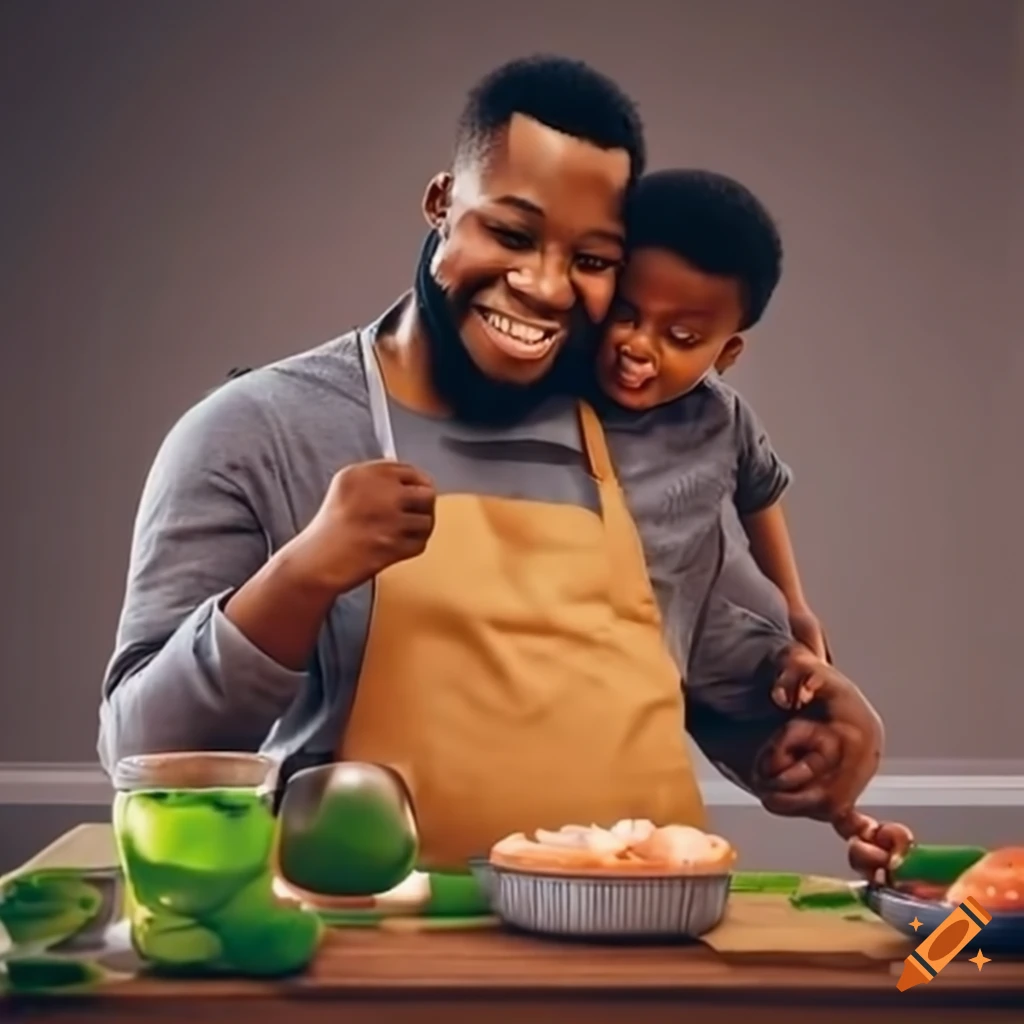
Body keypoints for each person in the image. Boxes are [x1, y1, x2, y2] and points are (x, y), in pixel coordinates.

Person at [98, 55, 879, 869]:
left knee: (939, 949)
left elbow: (714, 678)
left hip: (641, 924)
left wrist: (817, 731)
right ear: (443, 203)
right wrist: (302, 576)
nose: (545, 286)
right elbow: (140, 751)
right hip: (373, 928)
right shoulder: (258, 431)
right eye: (511, 233)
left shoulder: (651, 434)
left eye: (592, 260)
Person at [595, 168, 827, 660]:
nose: (638, 346)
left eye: (681, 337)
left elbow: (760, 495)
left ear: (726, 354)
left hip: (671, 650)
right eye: (624, 313)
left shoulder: (721, 417)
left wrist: (795, 606)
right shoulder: (552, 393)